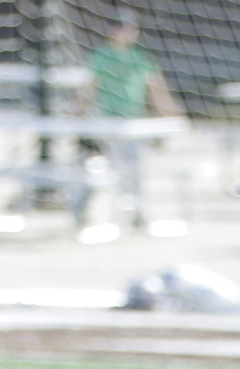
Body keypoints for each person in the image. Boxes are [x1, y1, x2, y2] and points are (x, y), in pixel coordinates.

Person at [81, 14, 182, 223]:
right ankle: (84, 209)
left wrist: (169, 112)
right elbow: (89, 88)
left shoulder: (140, 58)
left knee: (132, 168)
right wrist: (76, 113)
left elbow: (156, 88)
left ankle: (134, 212)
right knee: (102, 168)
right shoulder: (102, 56)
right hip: (106, 120)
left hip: (132, 121)